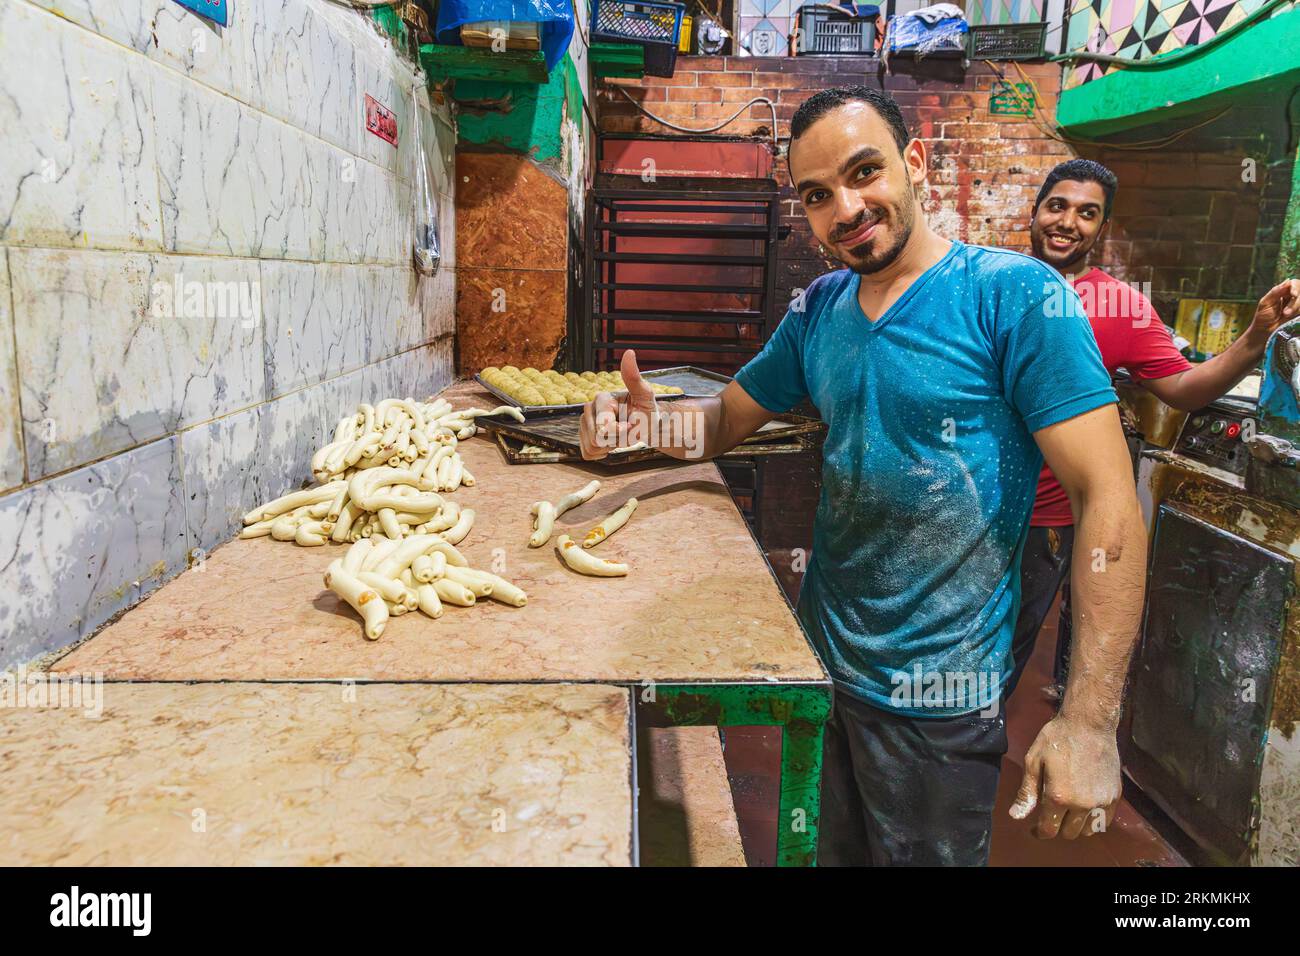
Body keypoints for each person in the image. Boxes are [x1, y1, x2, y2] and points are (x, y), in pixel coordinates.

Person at [579, 87, 1149, 864]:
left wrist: (1087, 721)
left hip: (938, 700)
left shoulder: (1011, 298)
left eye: (864, 172)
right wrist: (647, 427)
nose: (845, 208)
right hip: (822, 671)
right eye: (817, 195)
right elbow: (721, 422)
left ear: (914, 163)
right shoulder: (819, 311)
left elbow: (1107, 498)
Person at [1007, 159, 1300, 701]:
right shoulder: (991, 283)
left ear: (1102, 228)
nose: (1068, 222)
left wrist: (1258, 334)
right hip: (964, 509)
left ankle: (972, 766)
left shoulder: (1119, 306)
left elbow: (1186, 388)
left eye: (1087, 213)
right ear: (1036, 210)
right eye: (1058, 205)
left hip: (1043, 525)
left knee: (997, 669)